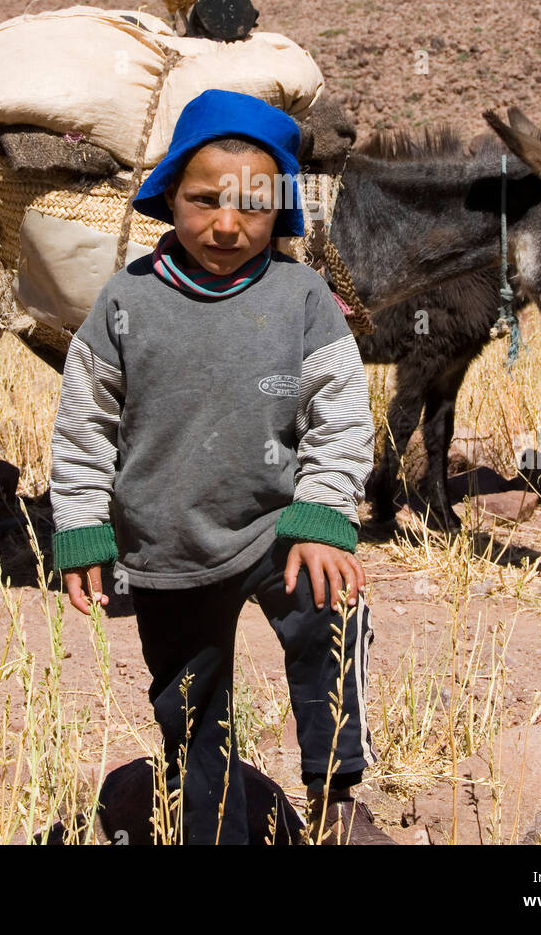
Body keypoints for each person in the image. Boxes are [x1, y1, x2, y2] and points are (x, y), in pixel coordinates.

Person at [48, 88, 393, 845]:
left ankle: (334, 790)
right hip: (168, 545)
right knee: (193, 714)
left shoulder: (304, 297)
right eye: (205, 200)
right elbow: (83, 429)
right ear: (171, 195)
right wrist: (80, 528)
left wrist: (323, 516)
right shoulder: (126, 300)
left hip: (278, 530)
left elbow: (340, 417)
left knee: (333, 611)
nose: (228, 225)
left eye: (254, 206)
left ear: (282, 211)